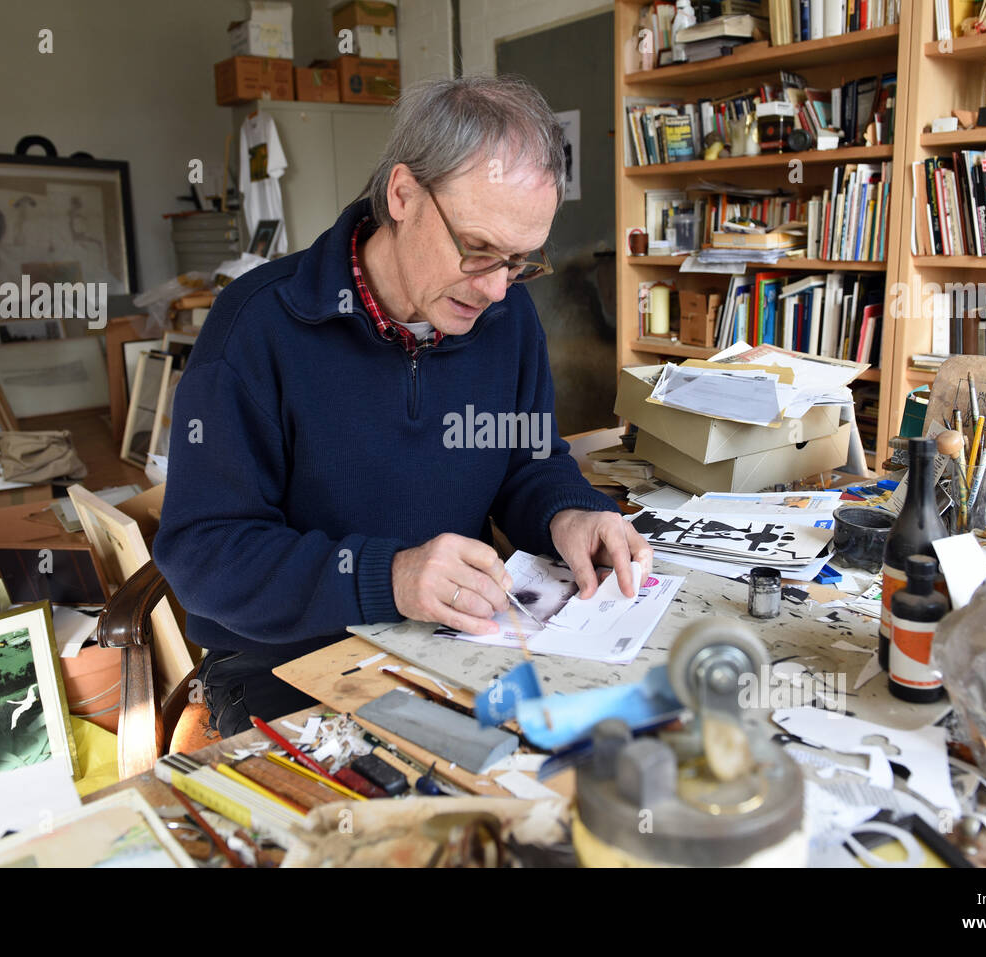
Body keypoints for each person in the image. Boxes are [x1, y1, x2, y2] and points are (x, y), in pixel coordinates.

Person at [153, 75, 652, 739]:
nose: (498, 289)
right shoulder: (258, 326)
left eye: (520, 262)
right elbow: (205, 554)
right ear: (402, 195)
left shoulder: (506, 318)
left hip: (458, 641)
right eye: (477, 250)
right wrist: (391, 576)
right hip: (286, 660)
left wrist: (570, 513)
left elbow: (528, 464)